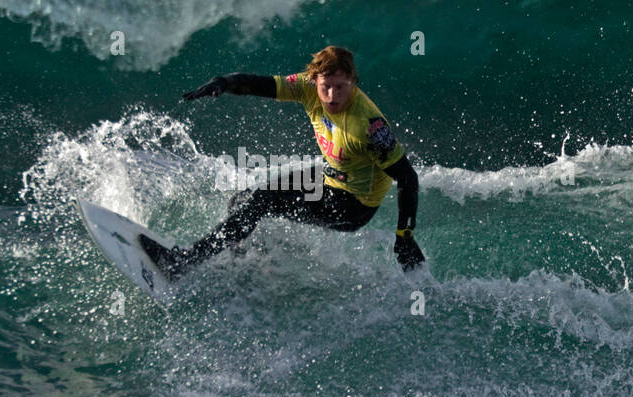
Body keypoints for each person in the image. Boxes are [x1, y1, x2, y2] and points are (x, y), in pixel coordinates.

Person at [138, 45, 426, 278]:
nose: (333, 95)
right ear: (314, 81)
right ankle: (243, 266)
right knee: (244, 199)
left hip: (354, 206)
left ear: (353, 83)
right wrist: (224, 82)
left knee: (261, 201)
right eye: (326, 86)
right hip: (330, 177)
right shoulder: (306, 88)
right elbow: (258, 84)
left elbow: (407, 178)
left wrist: (404, 236)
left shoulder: (369, 126)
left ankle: (183, 263)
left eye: (342, 87)